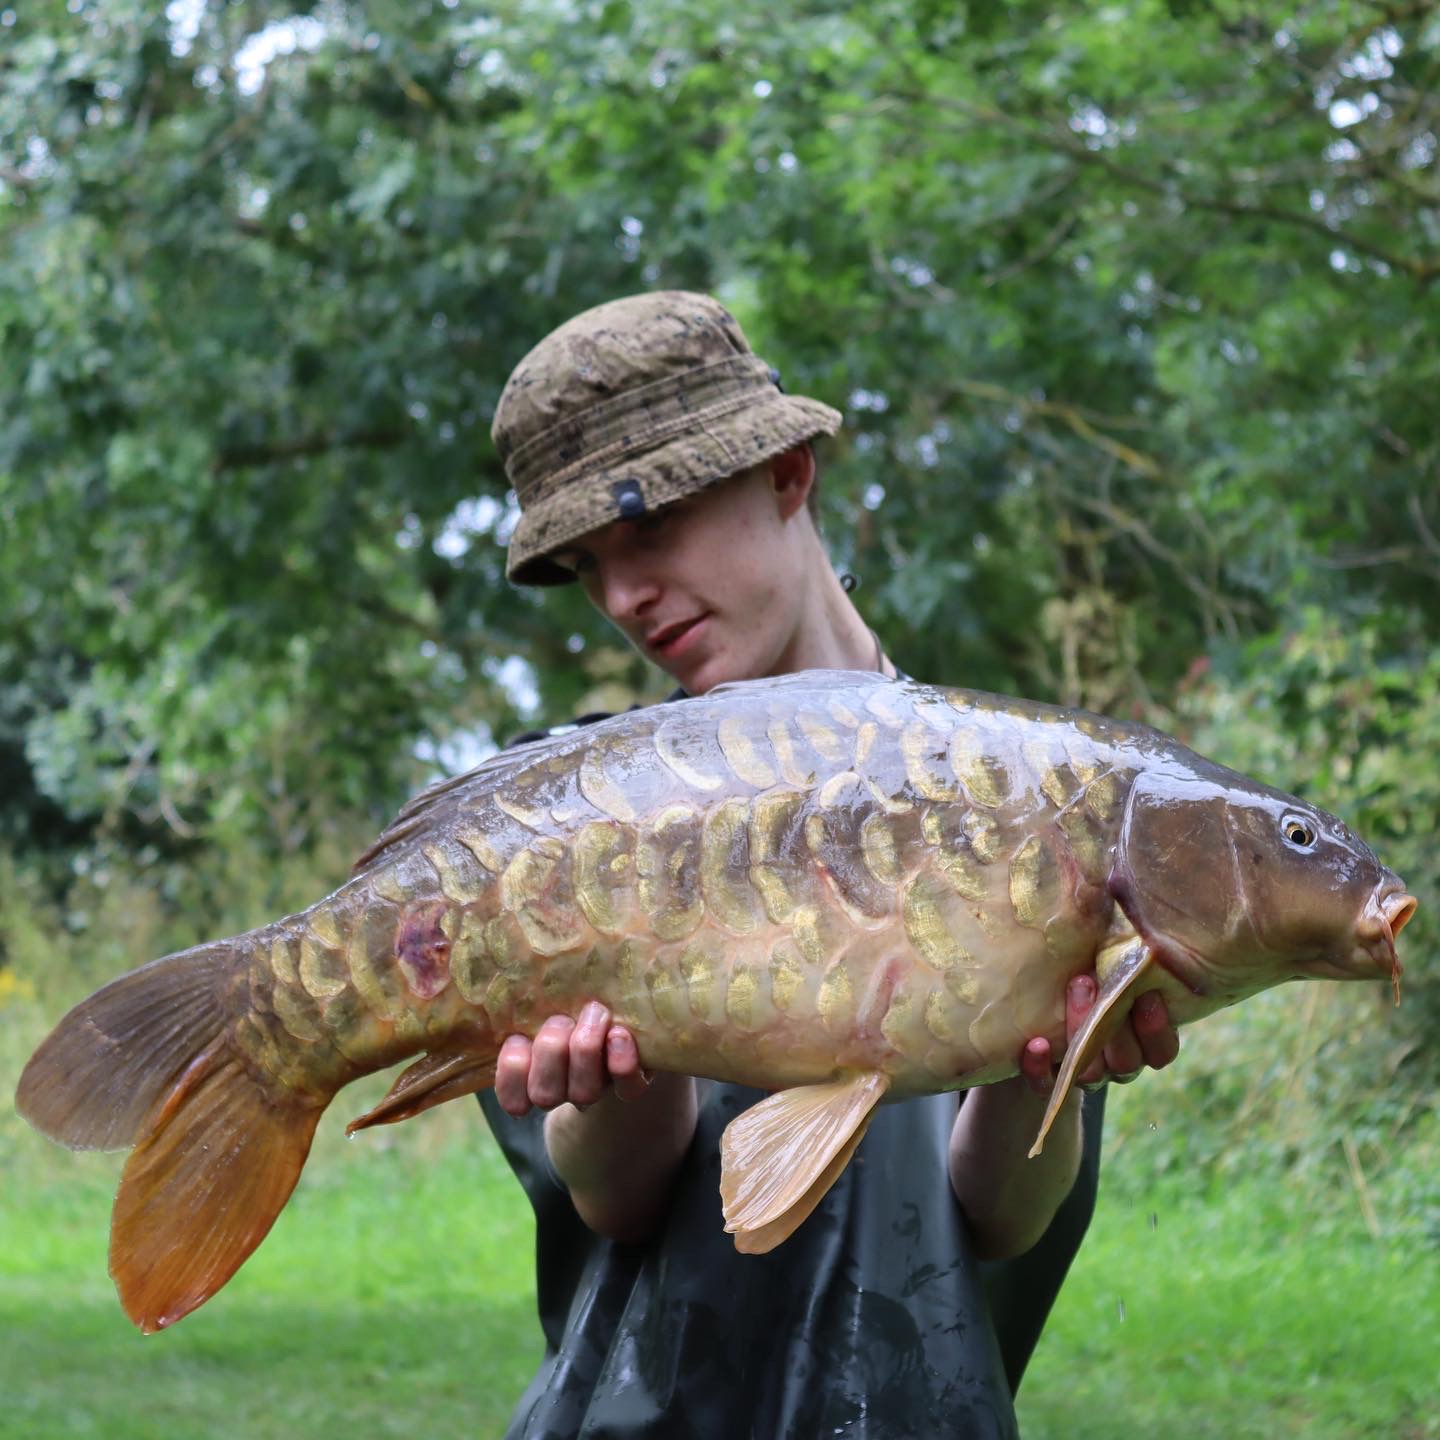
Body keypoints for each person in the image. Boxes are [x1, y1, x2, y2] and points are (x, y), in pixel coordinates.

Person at [478, 291, 1178, 1438]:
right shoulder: (559, 831)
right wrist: (615, 1079)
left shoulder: (1021, 799)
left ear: (788, 475)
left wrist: (1046, 1066)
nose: (623, 597)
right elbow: (618, 1204)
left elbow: (1001, 1222)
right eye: (585, 564)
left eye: (648, 528)